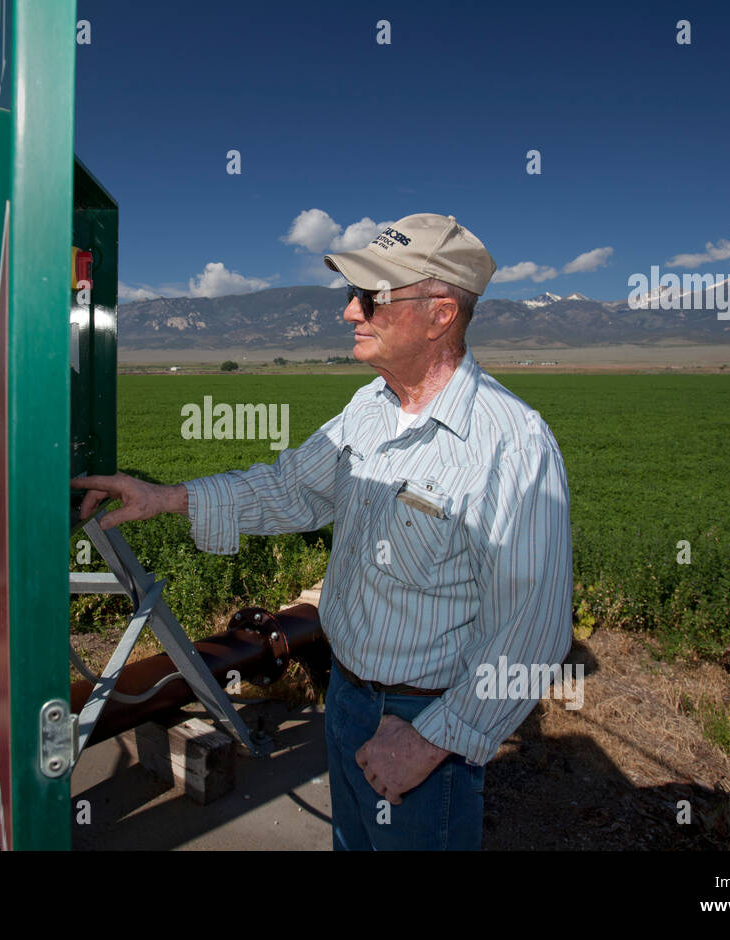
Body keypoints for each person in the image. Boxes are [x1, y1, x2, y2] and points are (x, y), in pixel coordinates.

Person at [72, 213, 573, 850]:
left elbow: (535, 628)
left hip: (426, 720)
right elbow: (290, 491)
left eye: (370, 297)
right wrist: (166, 498)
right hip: (347, 700)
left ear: (440, 313)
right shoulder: (368, 408)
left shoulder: (512, 443)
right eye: (350, 294)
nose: (349, 311)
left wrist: (432, 740)